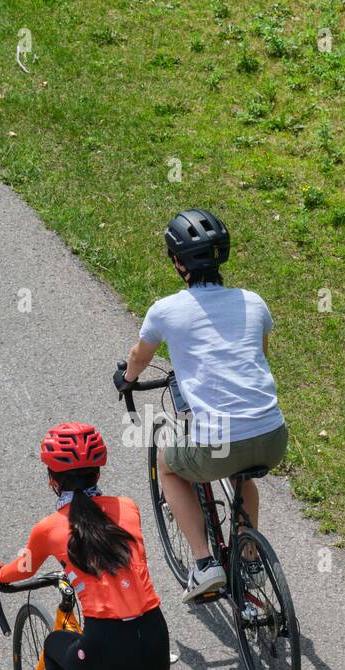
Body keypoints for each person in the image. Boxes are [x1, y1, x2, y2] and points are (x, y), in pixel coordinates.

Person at [0, 422, 170, 670]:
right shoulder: (128, 509)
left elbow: (21, 569)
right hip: (156, 643)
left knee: (53, 646)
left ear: (53, 479)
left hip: (105, 649)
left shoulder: (50, 528)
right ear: (99, 470)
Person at [114, 208, 288, 602]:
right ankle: (250, 560)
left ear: (178, 262)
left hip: (219, 442)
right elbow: (258, 357)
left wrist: (127, 379)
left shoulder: (166, 310)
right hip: (273, 436)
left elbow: (138, 358)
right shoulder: (254, 302)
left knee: (169, 466)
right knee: (242, 475)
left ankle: (204, 564)